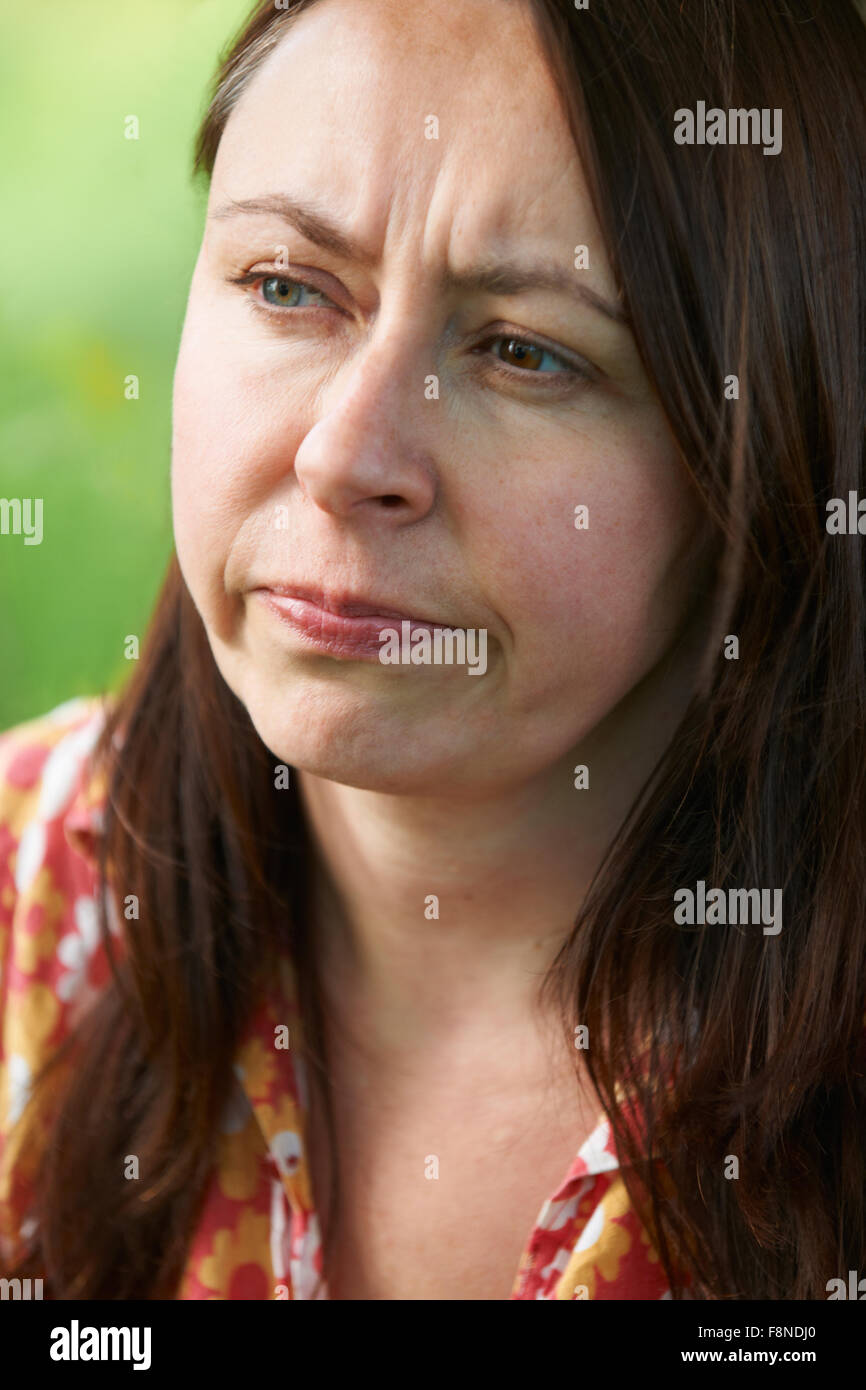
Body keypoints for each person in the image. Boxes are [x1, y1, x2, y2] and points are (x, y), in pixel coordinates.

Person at [1, 0, 864, 1301]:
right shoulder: (29, 897)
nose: (344, 457)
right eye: (287, 286)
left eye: (525, 351)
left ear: (766, 446)